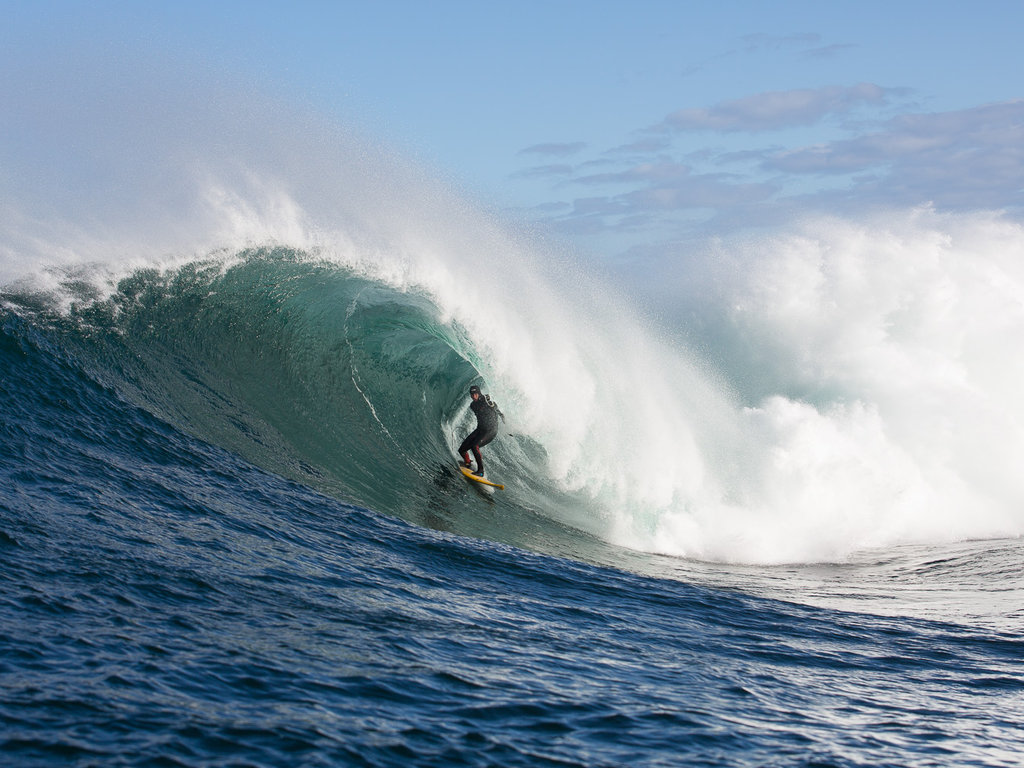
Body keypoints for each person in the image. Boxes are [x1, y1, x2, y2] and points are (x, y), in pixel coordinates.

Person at [458, 384, 504, 476]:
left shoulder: (486, 401)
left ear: (479, 393)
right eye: (472, 394)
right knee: (462, 449)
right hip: (481, 429)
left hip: (491, 430)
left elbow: (498, 411)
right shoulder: (473, 405)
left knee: (475, 446)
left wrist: (504, 420)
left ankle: (480, 471)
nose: (473, 396)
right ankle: (468, 463)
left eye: (475, 394)